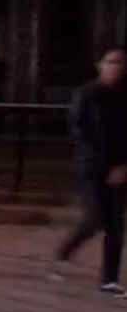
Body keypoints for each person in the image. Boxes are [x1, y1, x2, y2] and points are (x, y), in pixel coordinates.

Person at [54, 47, 127, 297]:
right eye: (111, 61)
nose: (115, 66)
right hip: (91, 168)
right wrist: (102, 163)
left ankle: (109, 280)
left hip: (119, 170)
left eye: (120, 62)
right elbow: (79, 130)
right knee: (95, 219)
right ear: (100, 64)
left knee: (116, 226)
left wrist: (122, 166)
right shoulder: (86, 94)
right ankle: (64, 252)